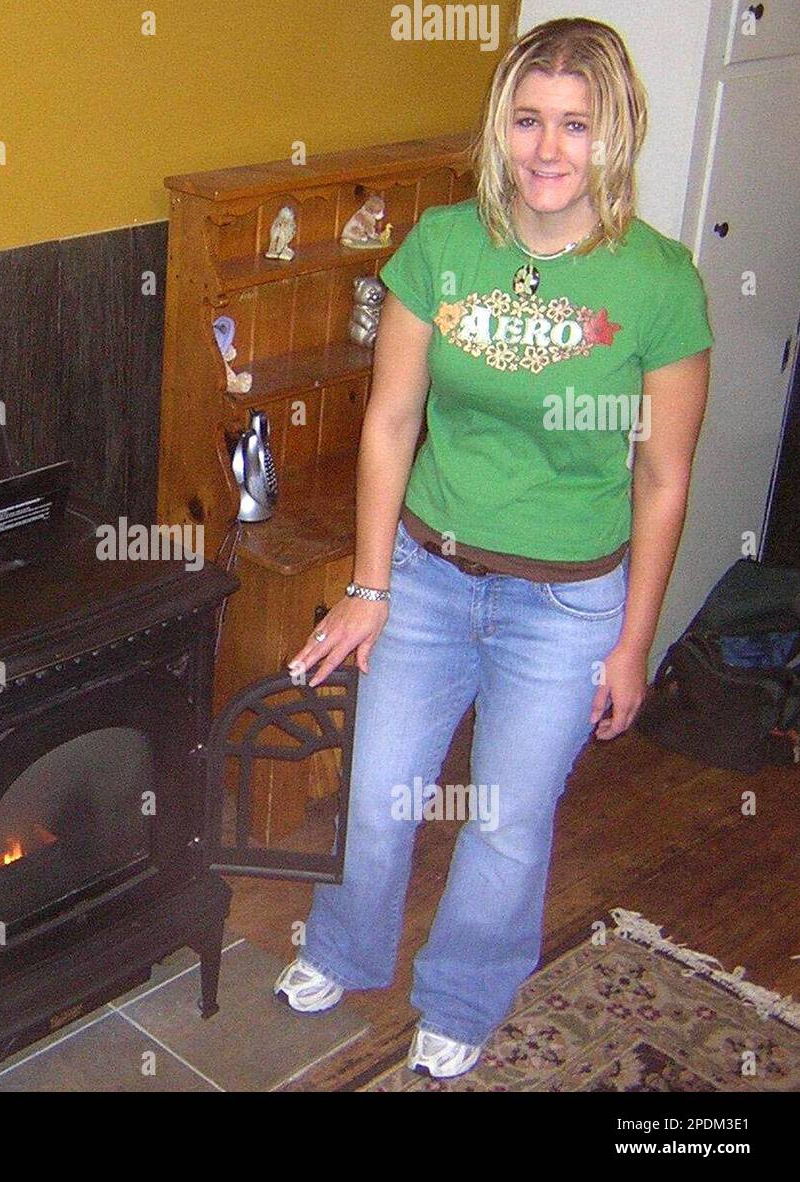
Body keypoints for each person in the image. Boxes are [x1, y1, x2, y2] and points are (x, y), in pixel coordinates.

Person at [273, 17, 714, 1080]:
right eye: (527, 120)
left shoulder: (658, 281)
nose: (548, 149)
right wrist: (368, 586)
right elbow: (389, 422)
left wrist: (633, 642)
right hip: (426, 575)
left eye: (576, 123)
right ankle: (343, 948)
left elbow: (661, 478)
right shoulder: (441, 246)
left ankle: (463, 994)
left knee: (506, 830)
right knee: (377, 799)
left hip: (565, 606)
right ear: (499, 129)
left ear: (615, 133)